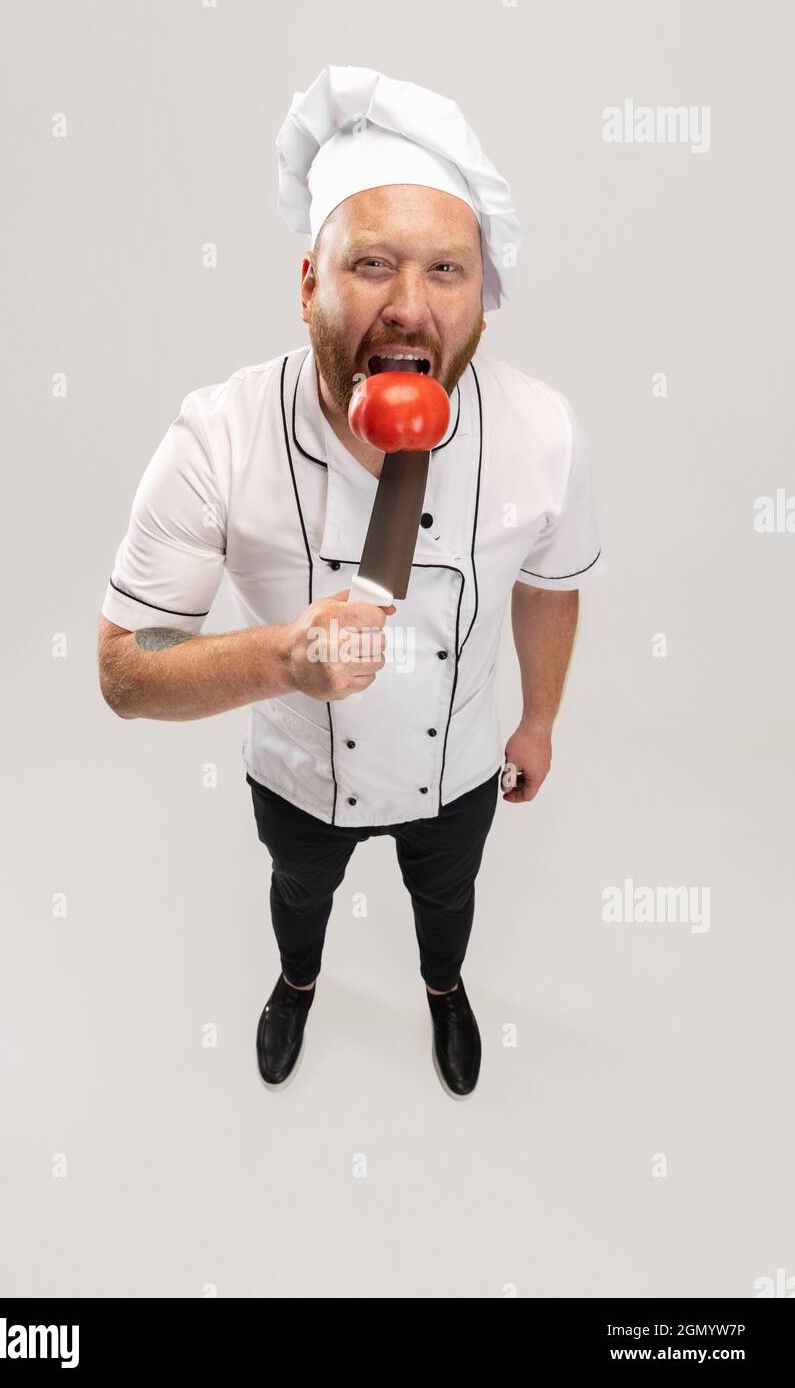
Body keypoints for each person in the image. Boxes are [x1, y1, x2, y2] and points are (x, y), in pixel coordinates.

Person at [97, 65, 604, 1099]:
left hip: (457, 764)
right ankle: (298, 981)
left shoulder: (542, 432)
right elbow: (123, 669)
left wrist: (539, 719)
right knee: (297, 887)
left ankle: (444, 988)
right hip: (297, 772)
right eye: (370, 263)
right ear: (308, 281)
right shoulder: (218, 436)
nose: (409, 309)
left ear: (483, 301)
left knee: (448, 893)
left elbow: (549, 583)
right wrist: (280, 656)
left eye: (447, 271)